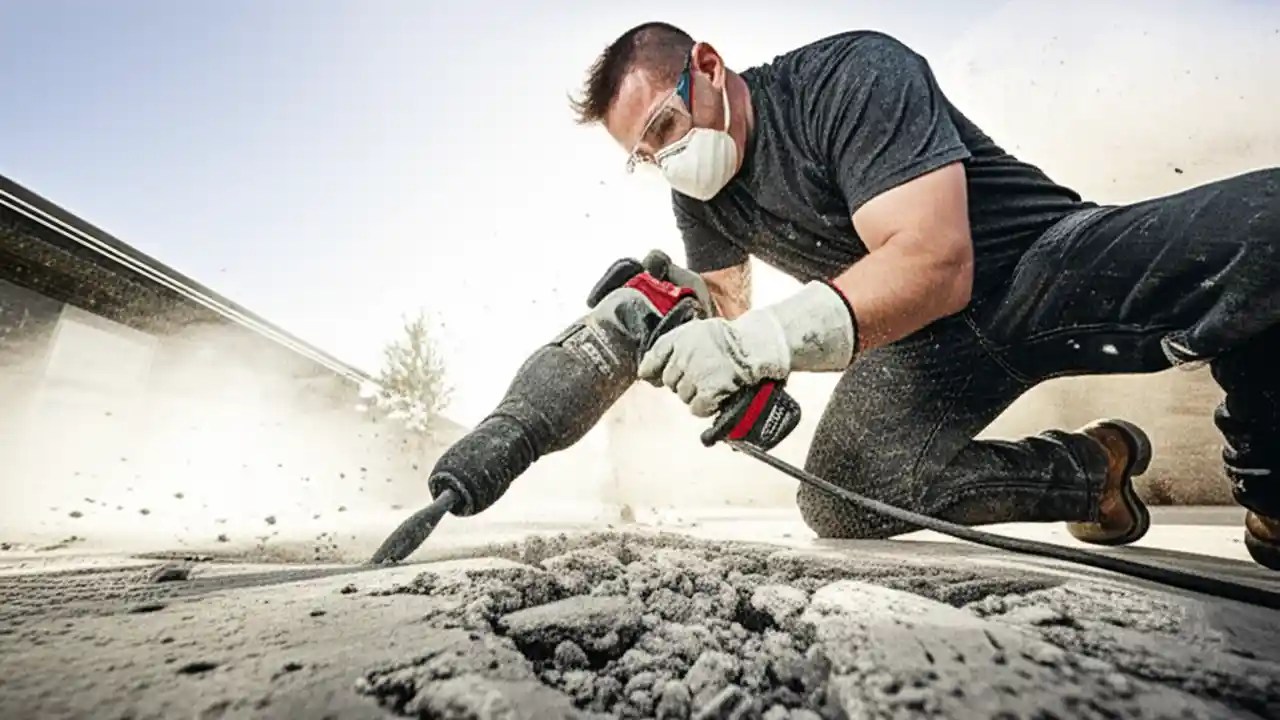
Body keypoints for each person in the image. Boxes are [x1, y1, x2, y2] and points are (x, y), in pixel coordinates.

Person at [567, 22, 1280, 569]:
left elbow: (936, 263)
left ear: (709, 68)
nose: (668, 161)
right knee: (843, 493)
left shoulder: (849, 77)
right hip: (930, 341)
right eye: (646, 156)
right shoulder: (703, 198)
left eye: (665, 126)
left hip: (1043, 267)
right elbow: (729, 311)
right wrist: (674, 315)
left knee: (1268, 226)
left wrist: (753, 346)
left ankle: (1269, 475)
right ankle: (1090, 475)